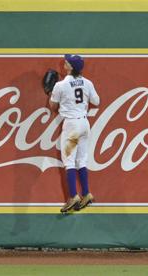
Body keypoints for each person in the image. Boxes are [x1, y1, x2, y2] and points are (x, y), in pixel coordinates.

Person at [49, 54, 100, 213]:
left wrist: (49, 92)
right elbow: (97, 102)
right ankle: (86, 193)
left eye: (67, 61)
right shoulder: (88, 83)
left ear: (71, 67)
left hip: (71, 126)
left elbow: (53, 107)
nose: (65, 62)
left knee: (69, 161)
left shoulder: (60, 85)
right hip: (85, 124)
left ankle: (73, 196)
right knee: (82, 160)